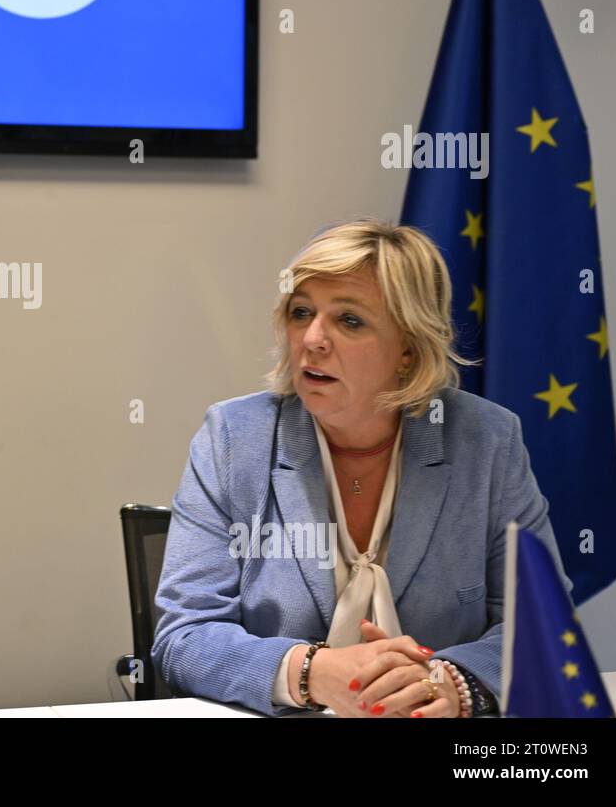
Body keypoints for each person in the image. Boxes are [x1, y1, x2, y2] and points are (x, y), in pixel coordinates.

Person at [151, 218, 571, 717]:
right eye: (300, 312)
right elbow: (184, 636)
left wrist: (453, 682)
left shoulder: (485, 441)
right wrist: (310, 672)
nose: (311, 339)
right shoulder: (233, 438)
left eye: (349, 321)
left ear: (409, 352)